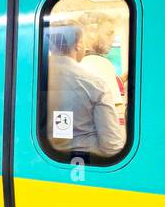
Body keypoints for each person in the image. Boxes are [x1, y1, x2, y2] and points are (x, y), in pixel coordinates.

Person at [45, 21, 124, 158]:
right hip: (81, 161)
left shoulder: (32, 79)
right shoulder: (95, 84)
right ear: (78, 44)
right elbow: (111, 146)